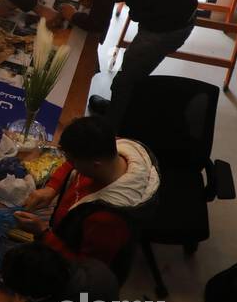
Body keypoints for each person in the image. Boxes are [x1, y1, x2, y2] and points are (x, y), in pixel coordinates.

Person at [59, 0, 198, 125]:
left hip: (166, 28)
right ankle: (118, 109)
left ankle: (111, 127)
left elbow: (97, 24)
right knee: (133, 76)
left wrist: (71, 15)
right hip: (186, 9)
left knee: (126, 80)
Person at [14, 115, 159, 280]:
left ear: (95, 165)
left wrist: (43, 233)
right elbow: (72, 162)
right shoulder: (109, 148)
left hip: (67, 267)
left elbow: (85, 269)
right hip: (63, 227)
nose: (68, 164)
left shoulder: (107, 221)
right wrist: (51, 188)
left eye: (72, 162)